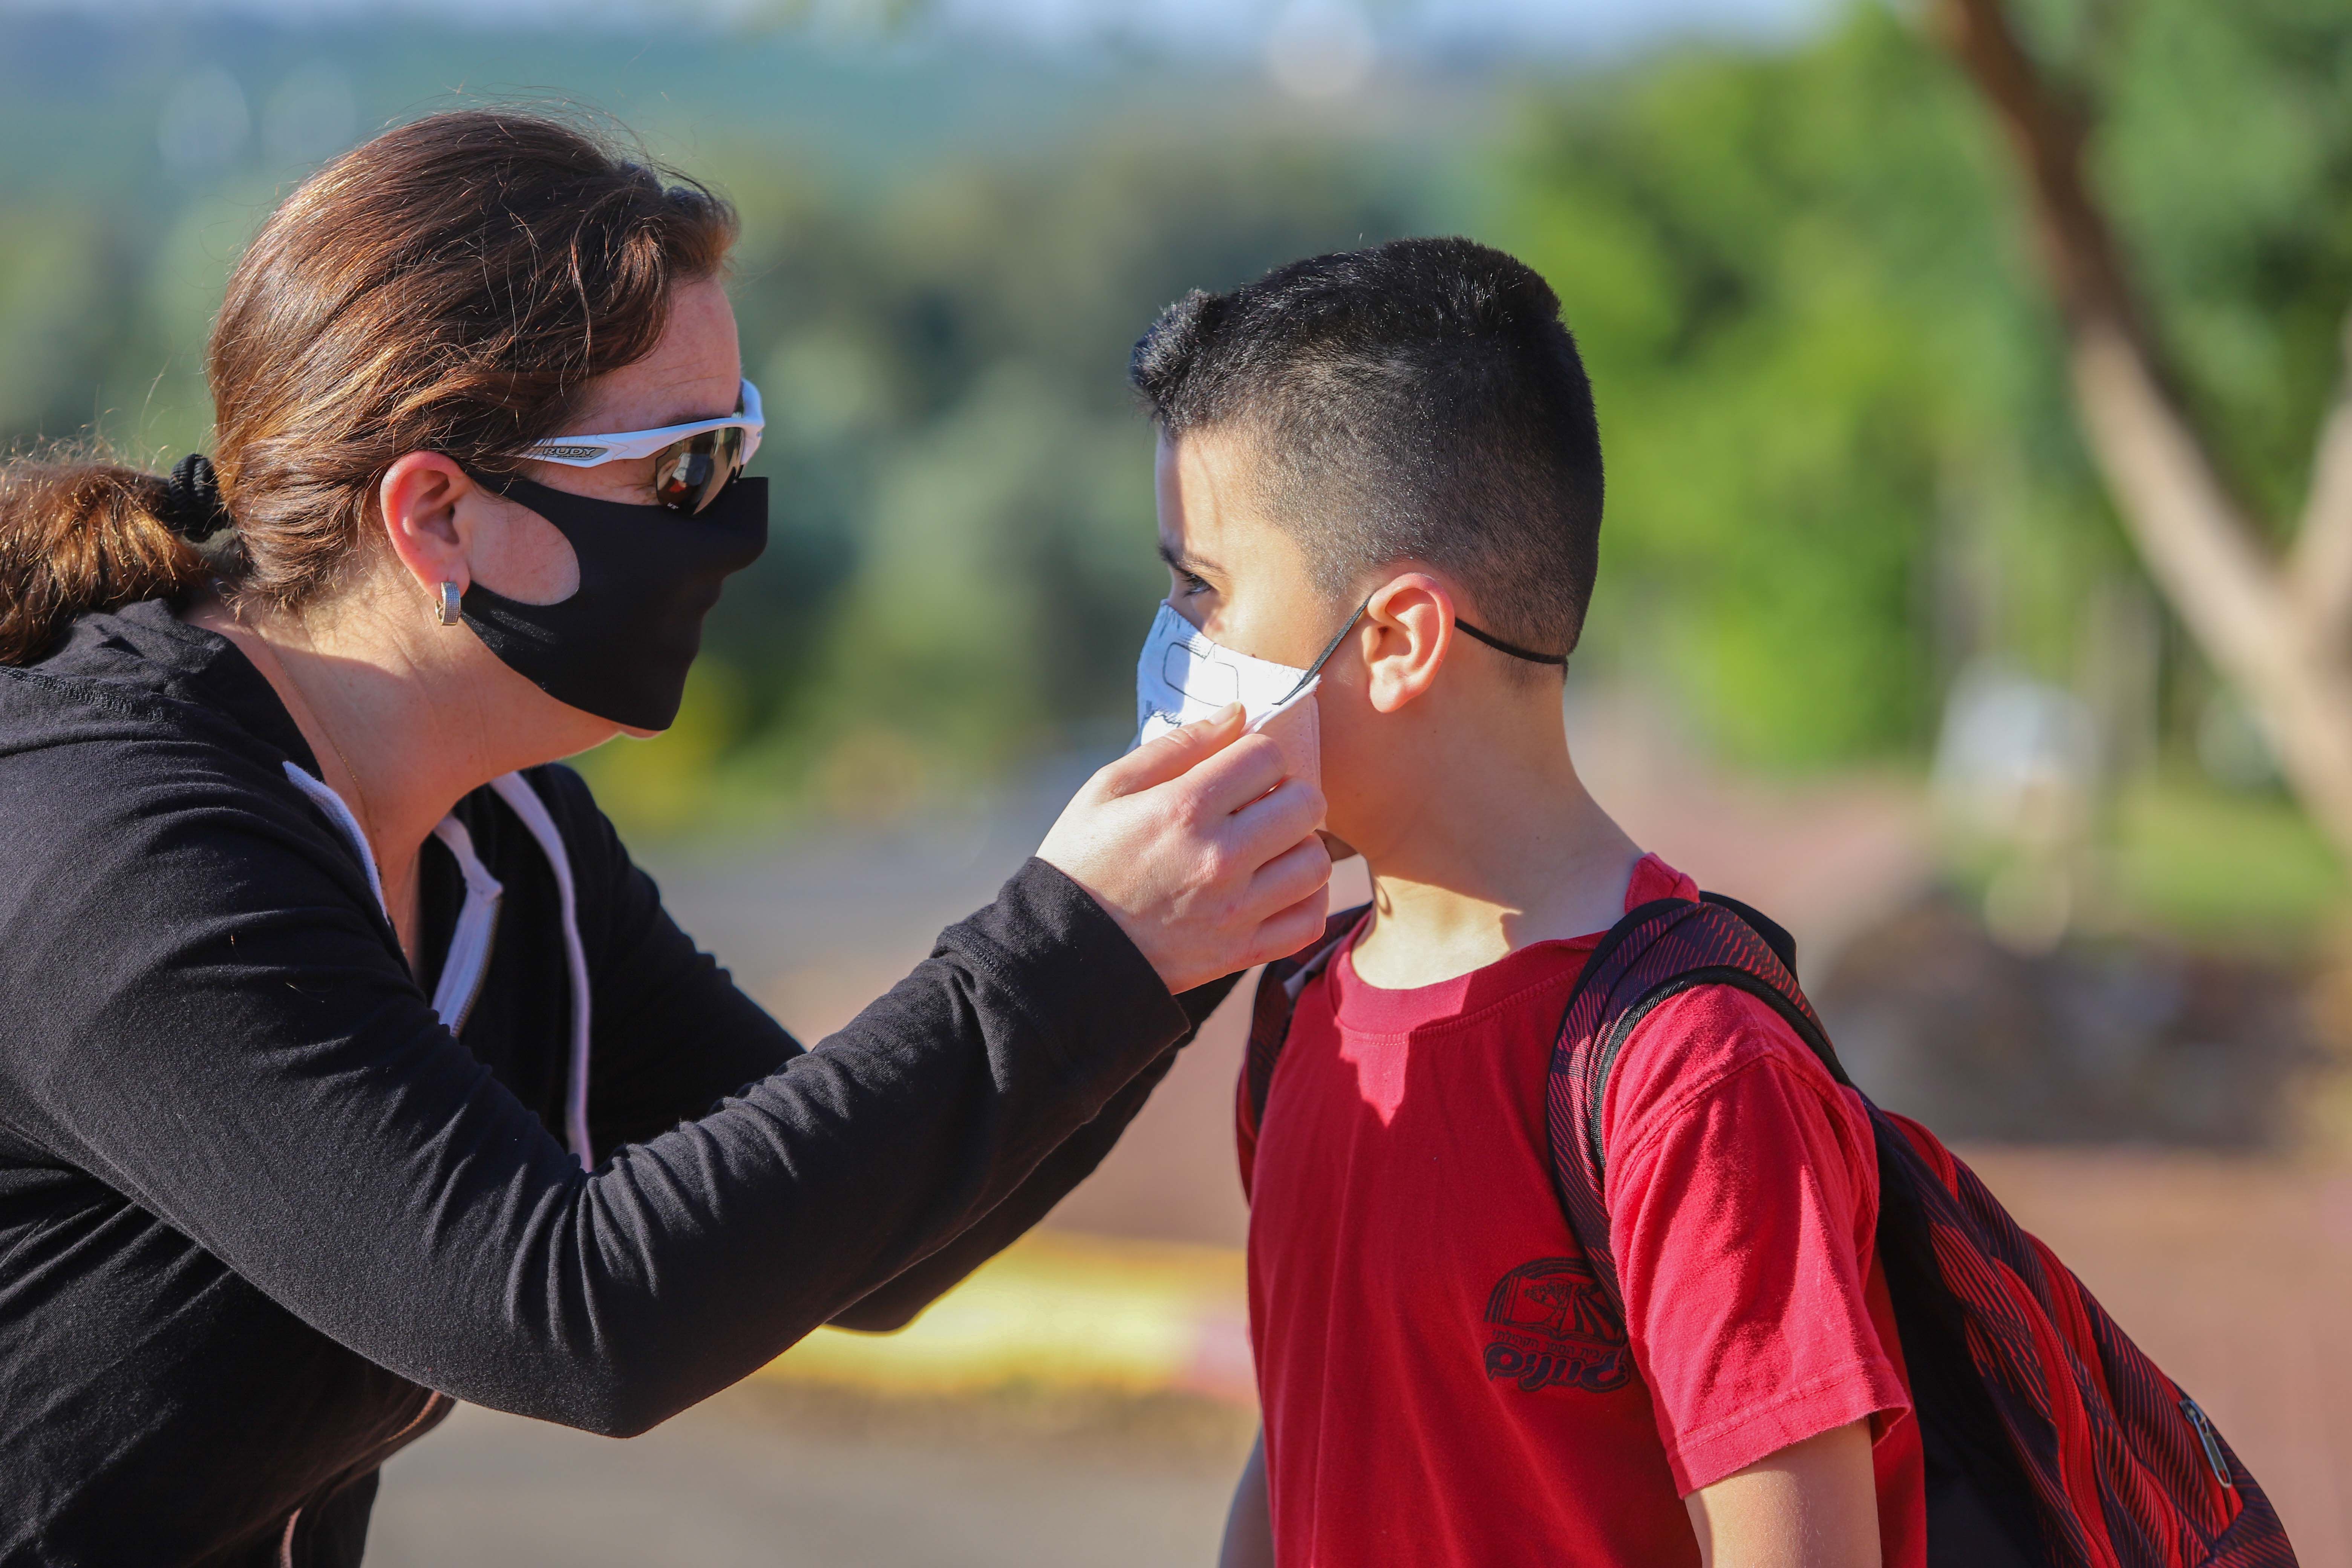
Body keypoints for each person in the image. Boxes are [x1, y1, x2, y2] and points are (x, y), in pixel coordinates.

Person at [0, 112, 1332, 1566]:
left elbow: (864, 1250)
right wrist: (1081, 942)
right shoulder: (124, 857)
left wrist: (1182, 922)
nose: (732, 525)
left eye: (738, 445)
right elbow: (573, 1313)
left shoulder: (503, 835)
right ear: (436, 514)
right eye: (679, 469)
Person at [1128, 239, 1919, 1568]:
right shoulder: (1303, 1008)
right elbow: (1308, 1445)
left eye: (1200, 586)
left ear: (1398, 639)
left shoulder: (1695, 1079)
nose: (1173, 638)